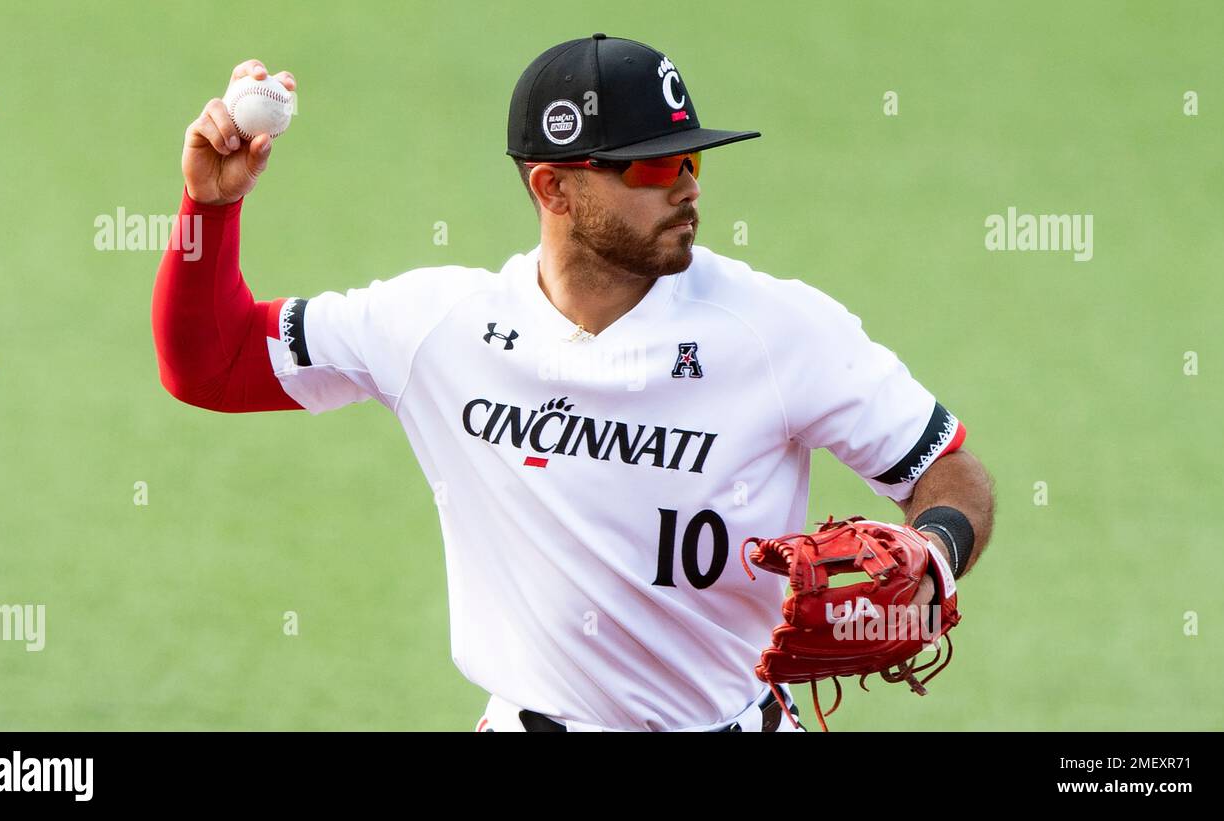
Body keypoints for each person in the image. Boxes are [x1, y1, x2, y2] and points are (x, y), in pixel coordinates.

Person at [152, 34, 995, 732]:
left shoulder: (778, 331)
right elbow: (211, 363)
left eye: (692, 159)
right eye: (653, 169)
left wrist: (935, 552)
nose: (690, 186)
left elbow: (946, 469)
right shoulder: (438, 326)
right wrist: (209, 208)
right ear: (552, 186)